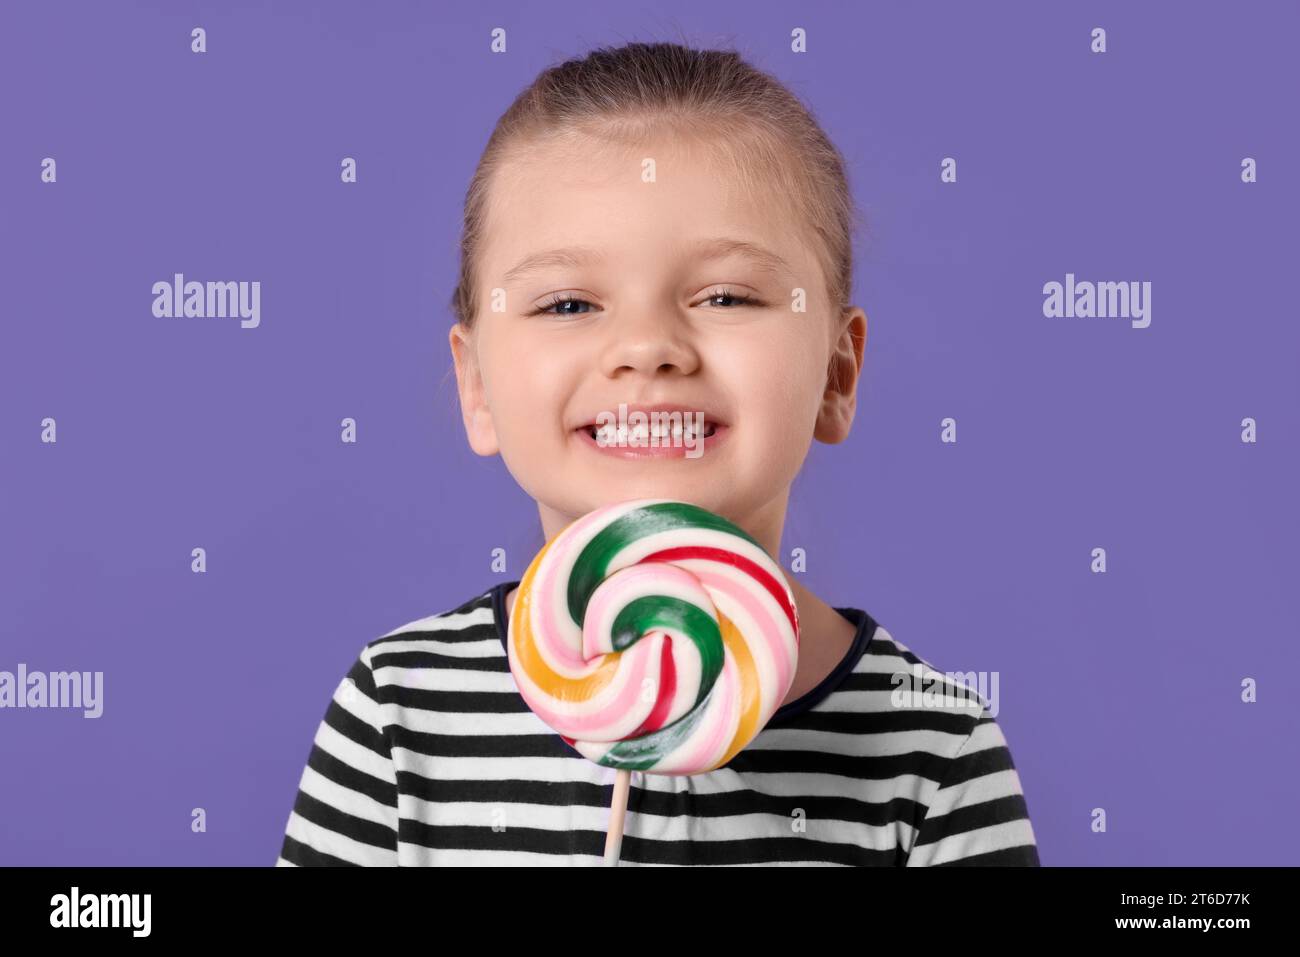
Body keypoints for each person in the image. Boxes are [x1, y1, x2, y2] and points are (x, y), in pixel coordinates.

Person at [277, 40, 1039, 866]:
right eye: (568, 302)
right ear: (477, 387)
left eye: (726, 295)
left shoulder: (933, 742)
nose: (647, 347)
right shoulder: (402, 712)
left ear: (837, 373)